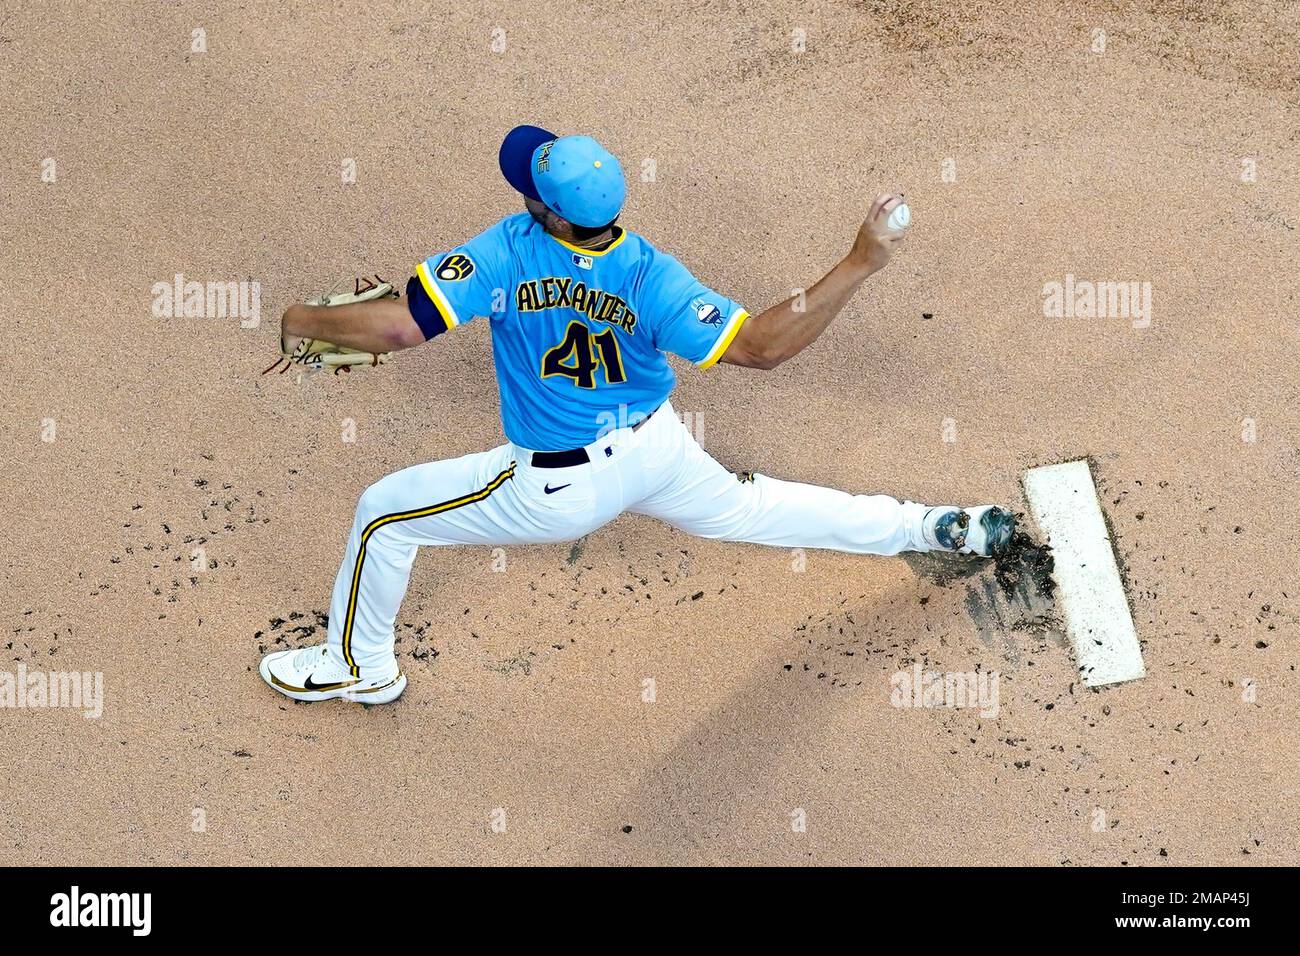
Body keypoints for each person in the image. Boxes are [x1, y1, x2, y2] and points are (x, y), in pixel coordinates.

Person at [259, 124, 1016, 703]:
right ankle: (929, 527)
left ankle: (358, 666)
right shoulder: (650, 272)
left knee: (385, 514)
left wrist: (302, 317)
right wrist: (859, 261)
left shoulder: (507, 251)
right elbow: (760, 347)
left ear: (544, 211)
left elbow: (396, 326)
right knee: (758, 509)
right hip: (660, 454)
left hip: (555, 489)